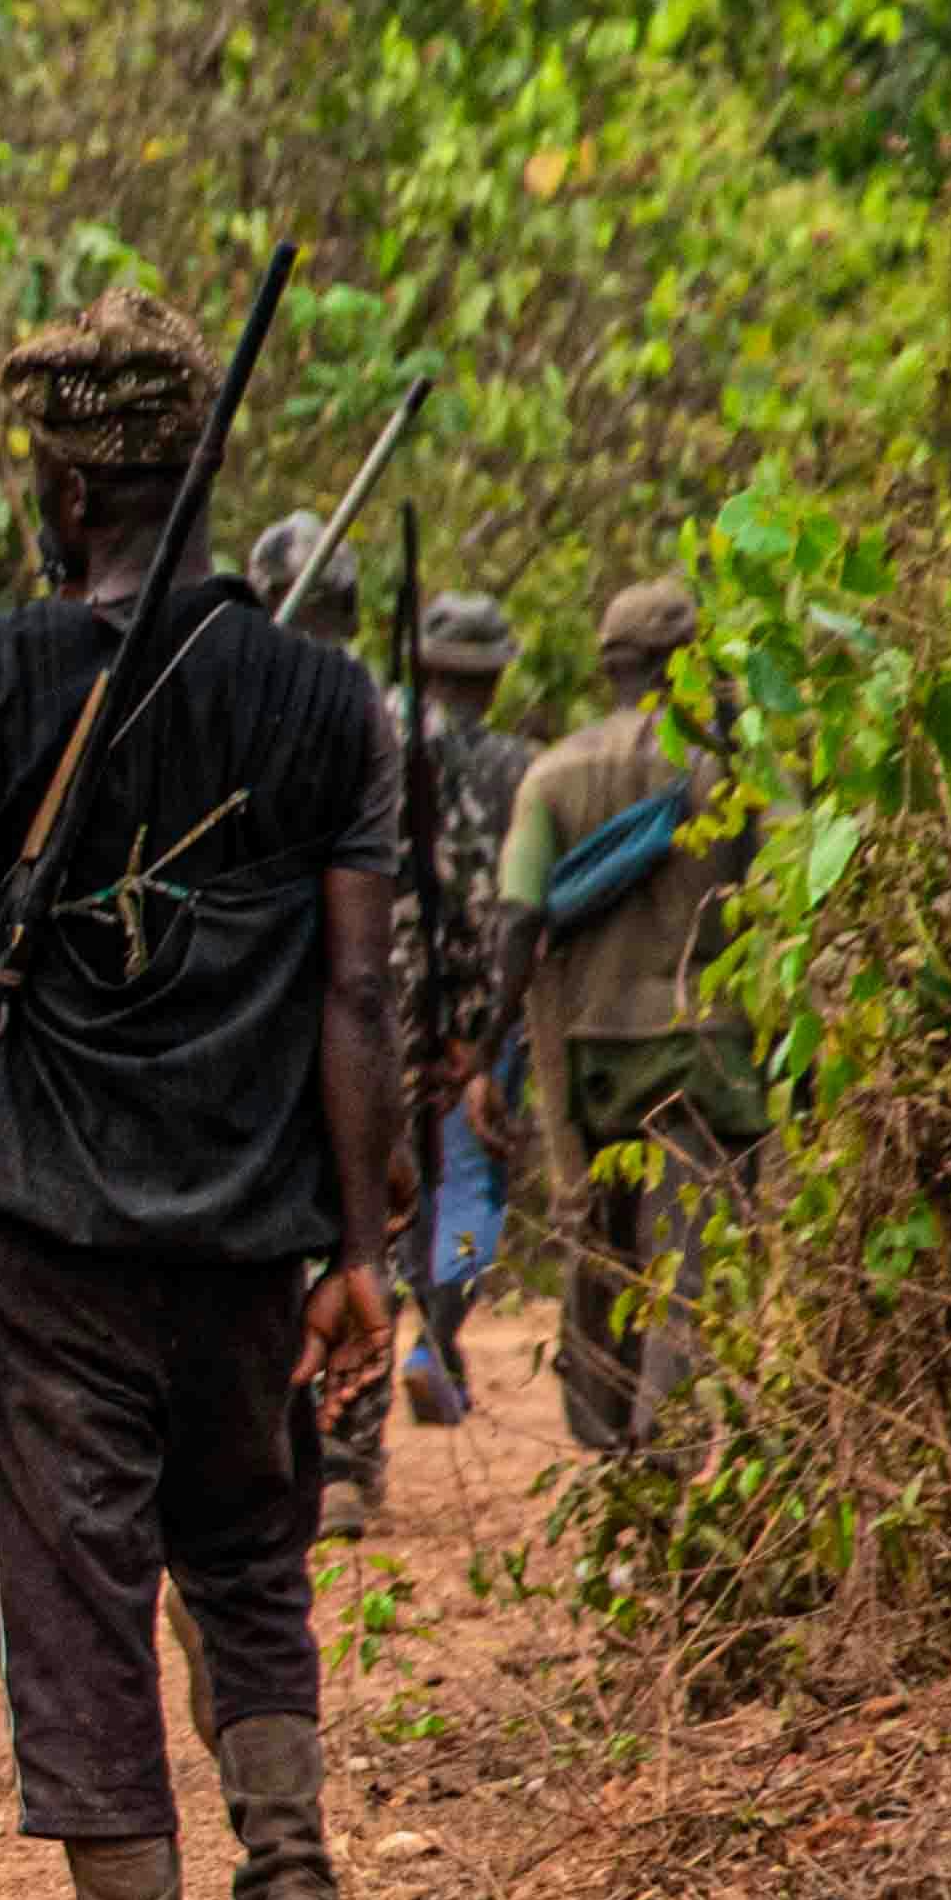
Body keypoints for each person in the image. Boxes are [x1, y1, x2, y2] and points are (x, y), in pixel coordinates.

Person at [0, 287, 403, 1900]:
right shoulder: (329, 702)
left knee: (75, 1580)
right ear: (201, 482)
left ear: (59, 491)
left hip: (54, 1233)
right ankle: (294, 1881)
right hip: (250, 1224)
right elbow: (362, 990)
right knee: (248, 1555)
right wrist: (360, 1244)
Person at [494, 576, 763, 1457]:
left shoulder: (552, 773)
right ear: (691, 664)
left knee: (601, 1247)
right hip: (705, 1050)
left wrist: (487, 1048)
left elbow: (520, 917)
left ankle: (609, 1435)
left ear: (608, 665)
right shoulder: (734, 772)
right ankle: (671, 1440)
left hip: (587, 1058)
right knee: (689, 1252)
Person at [248, 508, 406, 1544]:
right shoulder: (371, 708)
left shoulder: (248, 701)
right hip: (347, 1001)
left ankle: (312, 1448)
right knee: (362, 1222)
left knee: (312, 1227)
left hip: (281, 1008)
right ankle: (334, 1452)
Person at [390, 589, 539, 1423]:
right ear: (494, 679)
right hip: (485, 1016)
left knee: (394, 1181)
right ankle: (437, 1335)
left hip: (392, 1004)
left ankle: (414, 1345)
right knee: (474, 1191)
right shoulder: (524, 769)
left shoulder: (386, 751)